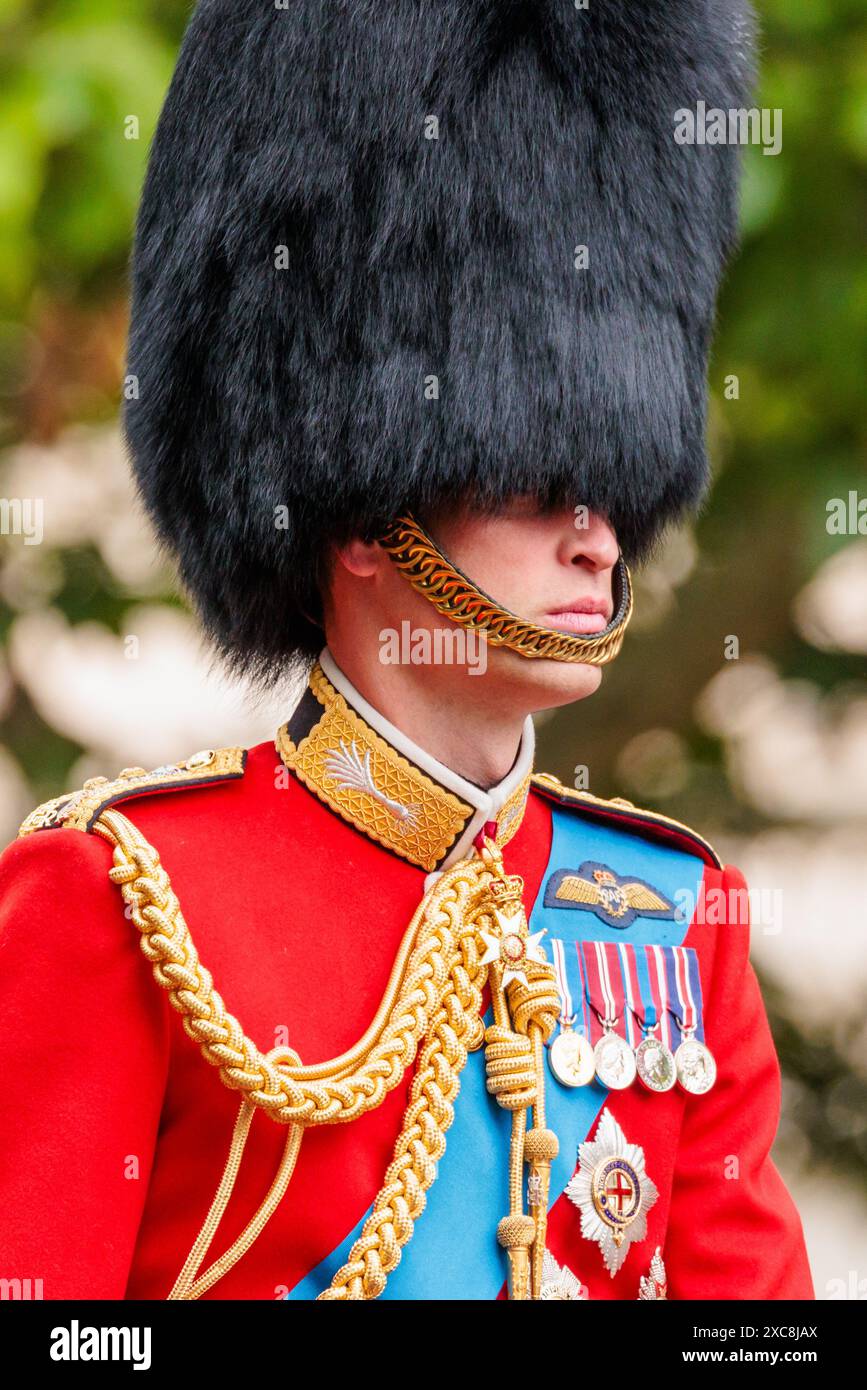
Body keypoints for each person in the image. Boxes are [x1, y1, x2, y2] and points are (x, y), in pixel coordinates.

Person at [0, 0, 814, 1301]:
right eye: (542, 475)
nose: (599, 538)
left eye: (612, 484)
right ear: (368, 513)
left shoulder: (673, 921)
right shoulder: (118, 899)